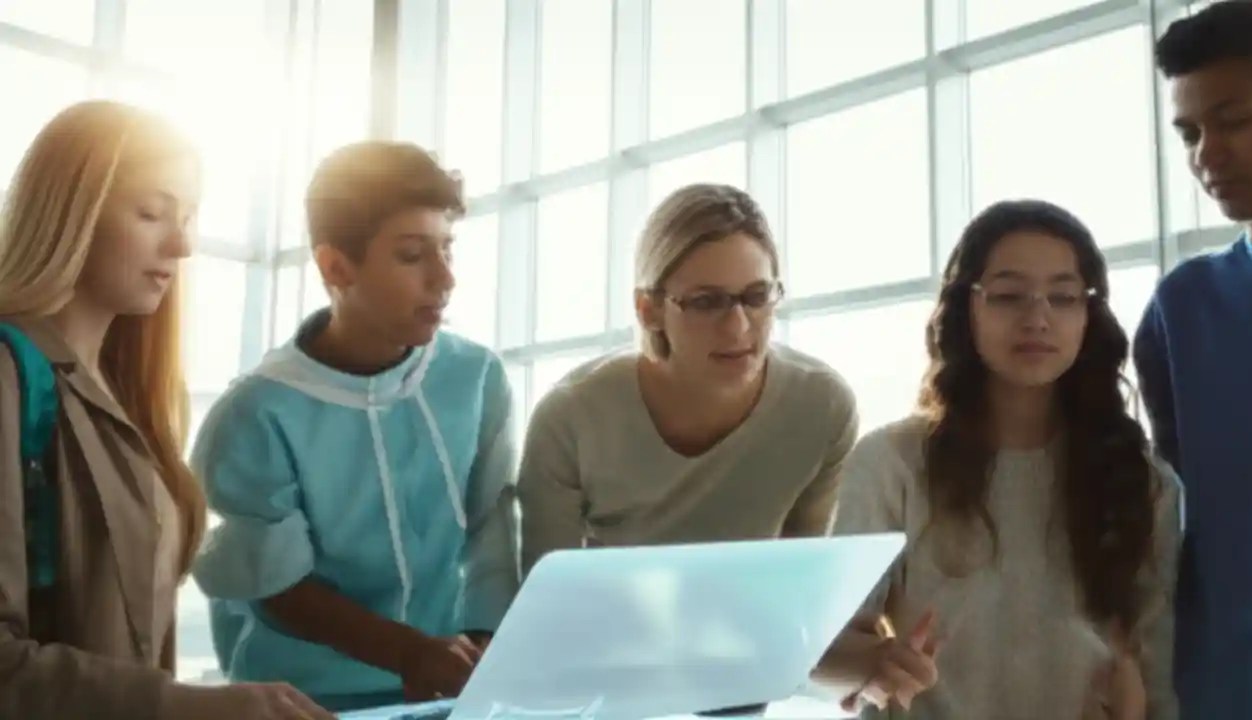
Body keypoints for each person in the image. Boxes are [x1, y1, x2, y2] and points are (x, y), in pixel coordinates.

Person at [0, 101, 333, 719]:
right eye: (151, 212)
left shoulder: (127, 398)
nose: (181, 244)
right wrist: (185, 708)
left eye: (188, 217)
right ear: (74, 212)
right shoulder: (9, 375)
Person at [190, 142, 519, 712]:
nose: (445, 280)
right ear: (336, 267)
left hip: (449, 695)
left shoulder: (477, 377)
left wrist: (480, 653)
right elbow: (276, 589)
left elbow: (492, 530)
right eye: (412, 255)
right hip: (303, 703)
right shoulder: (256, 415)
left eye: (447, 249)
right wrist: (411, 654)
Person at [825, 200, 1182, 719]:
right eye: (1009, 295)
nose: (1037, 318)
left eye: (1063, 297)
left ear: (1090, 316)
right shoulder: (891, 464)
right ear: (965, 308)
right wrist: (879, 661)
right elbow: (825, 650)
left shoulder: (1143, 481)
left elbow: (1159, 674)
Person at [517, 183, 858, 575]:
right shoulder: (571, 418)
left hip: (753, 627)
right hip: (610, 628)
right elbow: (543, 597)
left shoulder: (822, 406)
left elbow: (807, 579)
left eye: (756, 296)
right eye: (705, 302)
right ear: (649, 310)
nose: (737, 327)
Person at [1135, 2, 1252, 716]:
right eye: (1189, 132)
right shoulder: (1180, 310)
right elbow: (1166, 516)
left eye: (1235, 121)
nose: (1205, 155)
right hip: (1223, 688)